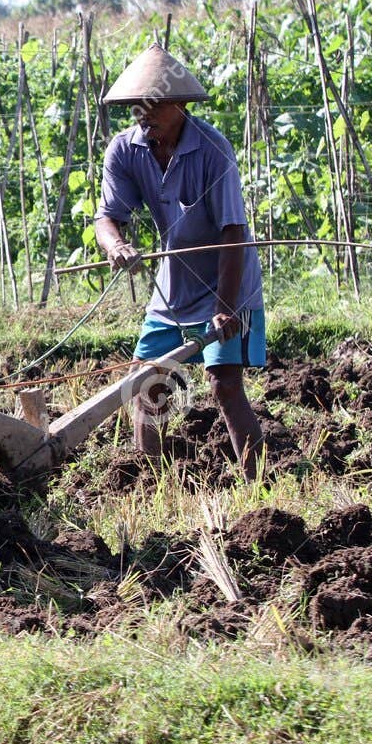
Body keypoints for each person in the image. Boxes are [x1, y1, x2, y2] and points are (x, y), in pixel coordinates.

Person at [92, 44, 267, 477]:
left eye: (154, 105)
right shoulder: (125, 150)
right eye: (137, 106)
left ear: (180, 105)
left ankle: (259, 482)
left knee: (224, 384)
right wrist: (116, 247)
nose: (143, 114)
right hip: (173, 289)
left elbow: (234, 232)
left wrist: (225, 306)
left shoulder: (213, 149)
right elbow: (107, 218)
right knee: (147, 383)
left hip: (229, 282)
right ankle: (153, 482)